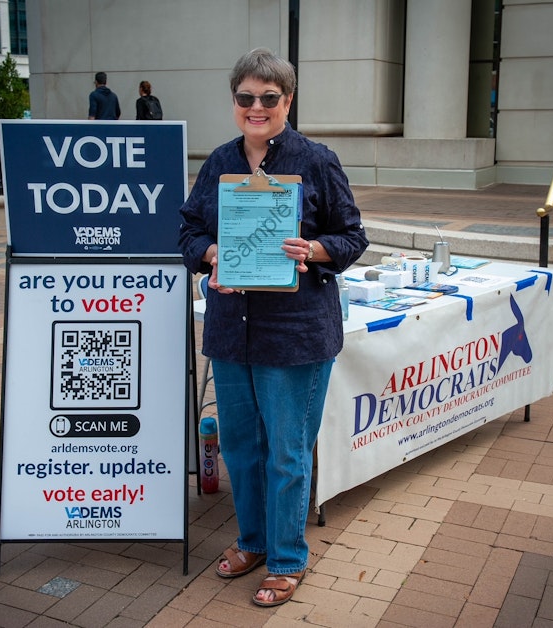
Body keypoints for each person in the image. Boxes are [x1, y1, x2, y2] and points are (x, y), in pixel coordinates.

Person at [178, 48, 368, 607]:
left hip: (296, 333)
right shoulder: (219, 162)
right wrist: (211, 253)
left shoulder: (316, 160)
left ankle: (287, 558)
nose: (256, 108)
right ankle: (254, 541)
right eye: (246, 98)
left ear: (287, 100)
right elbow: (186, 232)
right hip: (232, 332)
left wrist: (315, 248)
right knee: (240, 446)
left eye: (269, 98)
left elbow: (352, 235)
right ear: (234, 101)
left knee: (287, 450)